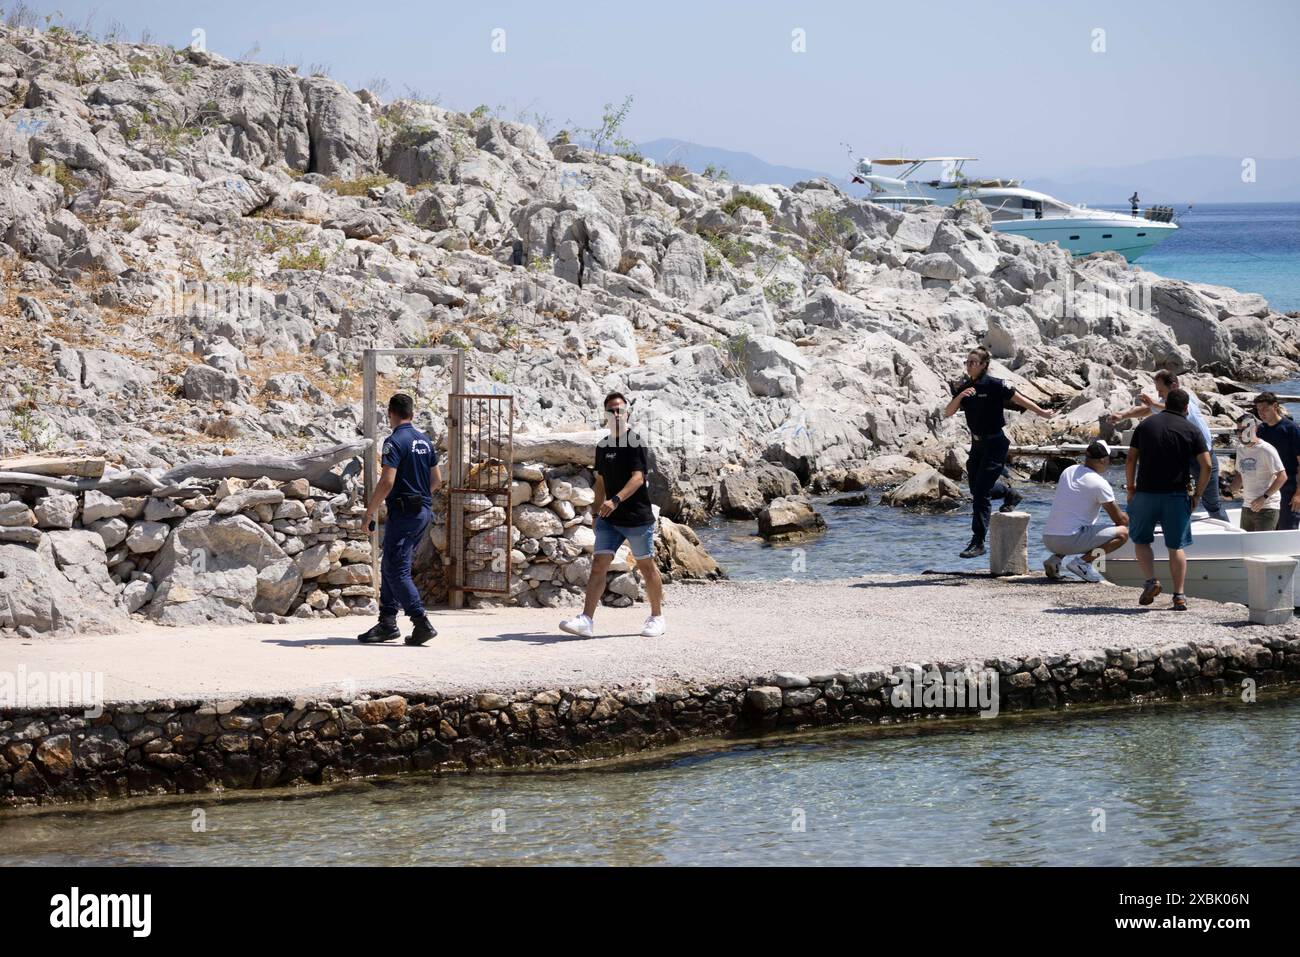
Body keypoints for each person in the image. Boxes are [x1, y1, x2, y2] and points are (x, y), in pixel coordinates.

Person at [559, 392, 666, 639]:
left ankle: (657, 617)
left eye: (620, 410)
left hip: (637, 518)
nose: (616, 414)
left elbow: (638, 478)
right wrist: (596, 514)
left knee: (646, 566)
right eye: (611, 410)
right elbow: (600, 482)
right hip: (609, 520)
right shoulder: (603, 446)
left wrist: (615, 500)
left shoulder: (635, 442)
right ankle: (586, 620)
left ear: (627, 413)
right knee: (598, 565)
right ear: (605, 415)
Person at [942, 346, 1053, 558]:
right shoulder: (966, 387)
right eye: (967, 362)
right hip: (977, 446)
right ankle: (1009, 493)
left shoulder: (994, 385)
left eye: (973, 362)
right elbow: (948, 412)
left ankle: (978, 541)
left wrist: (1041, 412)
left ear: (984, 365)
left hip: (995, 443)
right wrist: (960, 396)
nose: (969, 366)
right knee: (976, 488)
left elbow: (1018, 398)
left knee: (981, 493)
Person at [357, 393, 442, 646]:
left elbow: (387, 481)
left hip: (404, 514)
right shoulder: (425, 441)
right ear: (412, 414)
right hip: (421, 512)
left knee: (397, 569)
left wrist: (370, 511)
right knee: (390, 565)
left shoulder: (394, 442)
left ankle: (421, 622)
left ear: (389, 413)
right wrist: (420, 497)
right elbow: (436, 480)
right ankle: (387, 623)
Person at [1125, 388, 1212, 612]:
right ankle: (1179, 596)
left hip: (1145, 493)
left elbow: (1131, 459)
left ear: (1165, 403)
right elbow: (1207, 465)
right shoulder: (1191, 429)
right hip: (1176, 495)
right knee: (1176, 547)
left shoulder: (1145, 425)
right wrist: (1198, 495)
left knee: (1142, 541)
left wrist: (1131, 488)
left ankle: (1151, 581)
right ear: (1186, 408)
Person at [1107, 369, 1227, 522]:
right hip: (1181, 458)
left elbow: (1173, 409)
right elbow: (1146, 409)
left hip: (1202, 458)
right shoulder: (1163, 402)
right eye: (1157, 392)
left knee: (1212, 503)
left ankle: (1231, 534)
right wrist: (1122, 415)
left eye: (1161, 391)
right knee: (1168, 494)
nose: (1159, 395)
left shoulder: (1185, 400)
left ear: (1174, 386)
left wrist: (1153, 403)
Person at [1042, 440, 1130, 582]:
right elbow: (1120, 521)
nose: (1109, 462)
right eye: (1109, 459)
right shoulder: (1099, 483)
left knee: (1073, 523)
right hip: (1067, 541)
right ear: (1102, 460)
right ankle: (1083, 563)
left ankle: (1055, 559)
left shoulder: (1069, 471)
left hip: (1048, 538)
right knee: (1122, 534)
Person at [1229, 414, 1287, 532]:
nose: (1240, 434)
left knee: (1264, 547)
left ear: (1254, 429)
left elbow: (1282, 476)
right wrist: (1229, 490)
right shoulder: (1240, 449)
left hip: (1267, 507)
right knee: (1247, 546)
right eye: (1237, 430)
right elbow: (1240, 475)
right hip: (1247, 505)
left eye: (1243, 430)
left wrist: (1263, 498)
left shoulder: (1266, 449)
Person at [1252, 391, 1300, 531]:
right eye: (1259, 410)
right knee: (1270, 528)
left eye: (1265, 409)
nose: (1261, 413)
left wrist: (1298, 493)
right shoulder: (1260, 430)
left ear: (1275, 406)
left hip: (1289, 487)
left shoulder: (1291, 429)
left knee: (1287, 528)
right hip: (1267, 487)